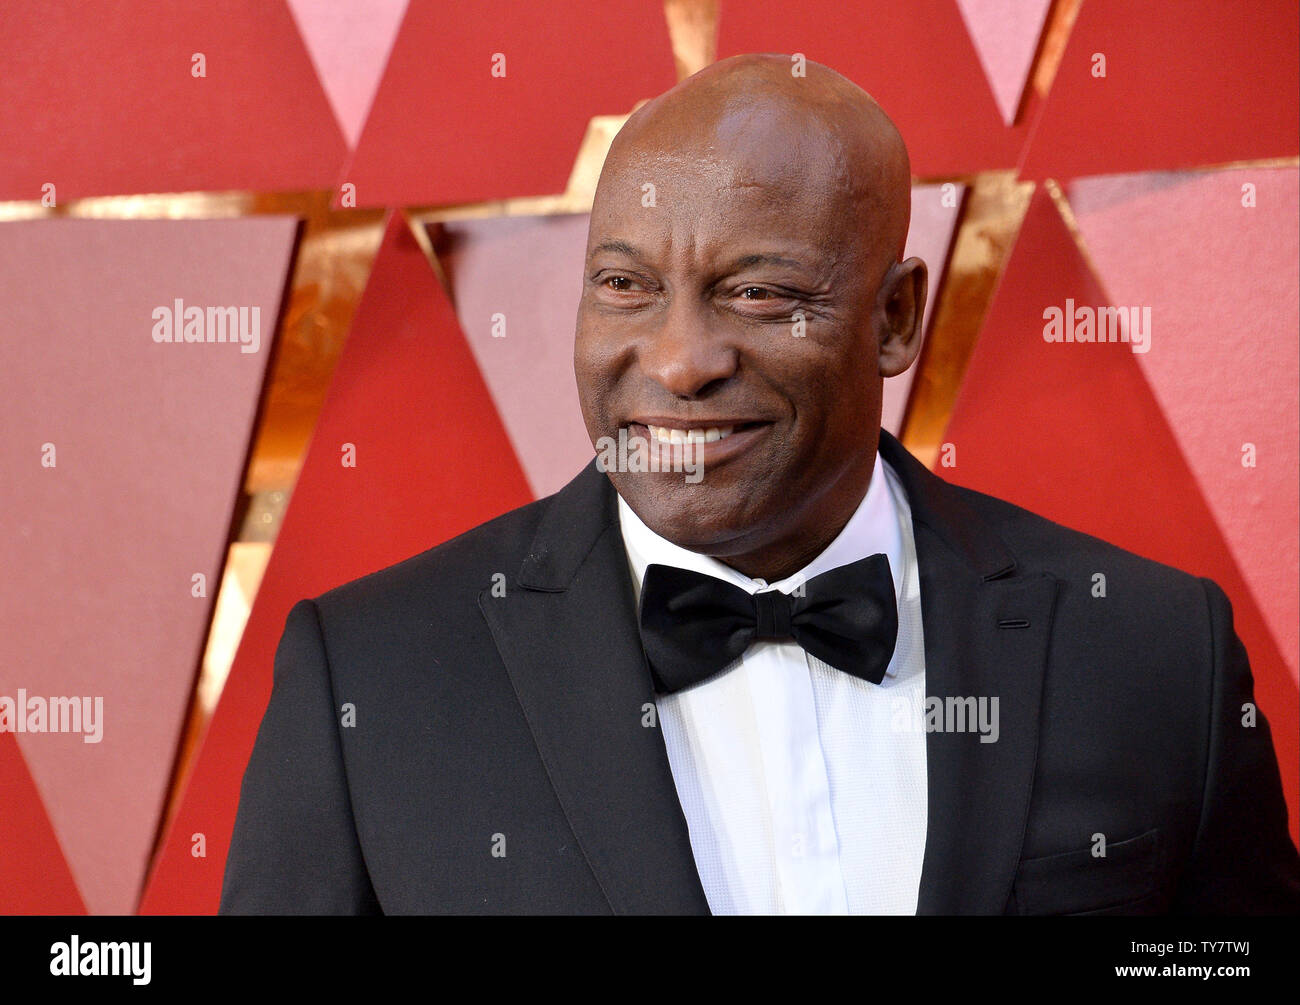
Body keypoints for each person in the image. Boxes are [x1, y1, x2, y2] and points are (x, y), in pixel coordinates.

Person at [220, 54, 1300, 914]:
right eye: (624, 286)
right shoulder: (372, 677)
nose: (680, 359)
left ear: (893, 319)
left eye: (757, 292)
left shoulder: (1154, 651)